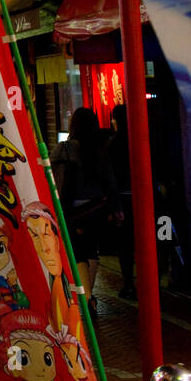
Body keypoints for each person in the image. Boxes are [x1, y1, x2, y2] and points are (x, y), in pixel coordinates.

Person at [52, 107, 121, 314]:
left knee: (78, 253)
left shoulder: (64, 149)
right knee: (92, 251)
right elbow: (111, 181)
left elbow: (51, 176)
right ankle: (90, 296)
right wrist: (117, 209)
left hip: (73, 211)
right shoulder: (100, 150)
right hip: (98, 210)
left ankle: (88, 297)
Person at [103, 104, 136, 299]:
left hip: (123, 200)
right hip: (148, 200)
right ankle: (154, 283)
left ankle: (129, 284)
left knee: (125, 245)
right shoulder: (143, 139)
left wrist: (114, 206)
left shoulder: (113, 144)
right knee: (155, 240)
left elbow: (110, 178)